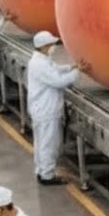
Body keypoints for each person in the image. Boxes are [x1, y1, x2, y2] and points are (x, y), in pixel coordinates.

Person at [27, 31, 83, 185]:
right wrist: (77, 72)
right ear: (44, 46)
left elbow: (55, 68)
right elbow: (58, 81)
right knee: (49, 143)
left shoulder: (41, 60)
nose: (53, 47)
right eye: (51, 44)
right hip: (46, 110)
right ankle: (47, 175)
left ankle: (42, 170)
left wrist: (70, 67)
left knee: (41, 142)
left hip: (41, 109)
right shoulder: (40, 64)